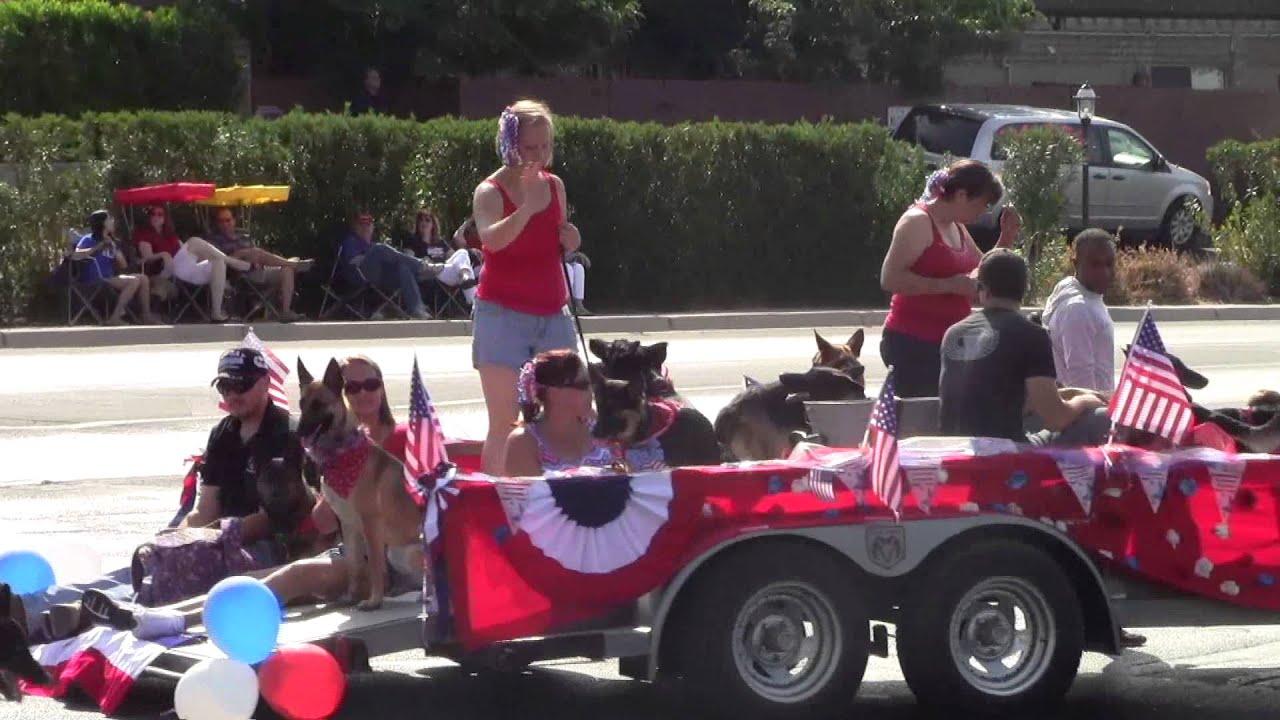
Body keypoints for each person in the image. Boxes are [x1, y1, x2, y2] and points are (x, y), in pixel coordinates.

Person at [82, 356, 423, 641]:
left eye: (370, 384)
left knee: (295, 576)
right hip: (348, 547)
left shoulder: (408, 436)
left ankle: (175, 623)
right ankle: (155, 615)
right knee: (262, 577)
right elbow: (325, 520)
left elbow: (442, 482)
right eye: (351, 386)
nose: (360, 393)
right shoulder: (333, 453)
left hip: (394, 556)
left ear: (382, 388)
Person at [471, 98, 583, 474]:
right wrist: (526, 210)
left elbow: (555, 241)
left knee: (564, 414)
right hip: (502, 315)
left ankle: (558, 500)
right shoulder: (489, 191)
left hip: (552, 313)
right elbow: (491, 241)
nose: (538, 156)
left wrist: (571, 240)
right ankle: (494, 507)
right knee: (505, 422)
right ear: (510, 145)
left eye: (545, 147)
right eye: (529, 148)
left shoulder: (556, 186)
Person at [939, 249, 1109, 447]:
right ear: (1024, 289)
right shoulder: (1032, 335)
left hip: (953, 450)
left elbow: (996, 400)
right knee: (1097, 418)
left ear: (982, 289)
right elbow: (1057, 419)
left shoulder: (953, 333)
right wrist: (1085, 401)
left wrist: (1070, 392)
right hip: (1005, 455)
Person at [879, 160, 1021, 397]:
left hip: (951, 343)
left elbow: (982, 269)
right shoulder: (917, 222)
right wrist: (949, 285)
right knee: (924, 418)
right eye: (982, 204)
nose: (983, 212)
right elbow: (890, 278)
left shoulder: (957, 226)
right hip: (913, 343)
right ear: (962, 195)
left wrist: (1006, 237)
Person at [503, 350, 613, 475]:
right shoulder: (523, 442)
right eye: (582, 384)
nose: (590, 392)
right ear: (552, 392)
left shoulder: (596, 423)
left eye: (591, 383)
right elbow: (526, 494)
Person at [133, 205, 250, 323]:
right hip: (166, 271)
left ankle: (216, 312)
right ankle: (233, 262)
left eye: (160, 214)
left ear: (165, 218)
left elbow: (189, 252)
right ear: (149, 217)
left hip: (183, 270)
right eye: (153, 214)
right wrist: (163, 254)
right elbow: (147, 257)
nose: (156, 217)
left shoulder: (170, 236)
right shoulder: (144, 234)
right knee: (194, 241)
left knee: (217, 262)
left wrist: (206, 257)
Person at [1042, 229, 1117, 392]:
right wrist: (1097, 410)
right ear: (1075, 263)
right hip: (1090, 409)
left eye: (1109, 264)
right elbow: (1080, 379)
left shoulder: (1080, 292)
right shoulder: (1078, 309)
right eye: (1095, 264)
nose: (1104, 272)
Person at [207, 207, 311, 322]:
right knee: (254, 252)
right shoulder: (214, 240)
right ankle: (291, 263)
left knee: (286, 270)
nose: (225, 224)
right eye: (221, 221)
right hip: (239, 275)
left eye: (228, 220)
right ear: (216, 223)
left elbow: (258, 256)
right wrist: (241, 254)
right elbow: (219, 260)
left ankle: (285, 312)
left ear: (234, 220)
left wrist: (252, 257)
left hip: (259, 270)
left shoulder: (244, 237)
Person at [72, 209, 159, 325]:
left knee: (143, 278)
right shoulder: (89, 239)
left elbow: (124, 265)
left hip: (108, 277)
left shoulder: (111, 242)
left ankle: (146, 315)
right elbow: (75, 255)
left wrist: (114, 248)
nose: (113, 221)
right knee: (133, 281)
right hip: (94, 279)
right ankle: (115, 317)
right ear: (103, 223)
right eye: (109, 219)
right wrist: (98, 247)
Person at [340, 212, 432, 319]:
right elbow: (353, 262)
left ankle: (417, 309)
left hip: (380, 277)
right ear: (355, 227)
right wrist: (370, 256)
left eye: (368, 225)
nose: (365, 228)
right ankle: (421, 266)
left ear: (372, 228)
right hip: (359, 274)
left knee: (403, 267)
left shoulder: (372, 245)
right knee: (380, 248)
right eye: (362, 224)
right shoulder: (351, 241)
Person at [403, 208, 478, 306]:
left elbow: (455, 258)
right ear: (417, 224)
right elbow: (408, 260)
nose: (423, 222)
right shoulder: (412, 241)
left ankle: (465, 277)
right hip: (429, 272)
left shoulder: (440, 242)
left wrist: (470, 251)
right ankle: (474, 304)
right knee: (462, 261)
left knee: (462, 253)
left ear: (433, 224)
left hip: (444, 272)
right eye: (420, 220)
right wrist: (422, 261)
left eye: (427, 220)